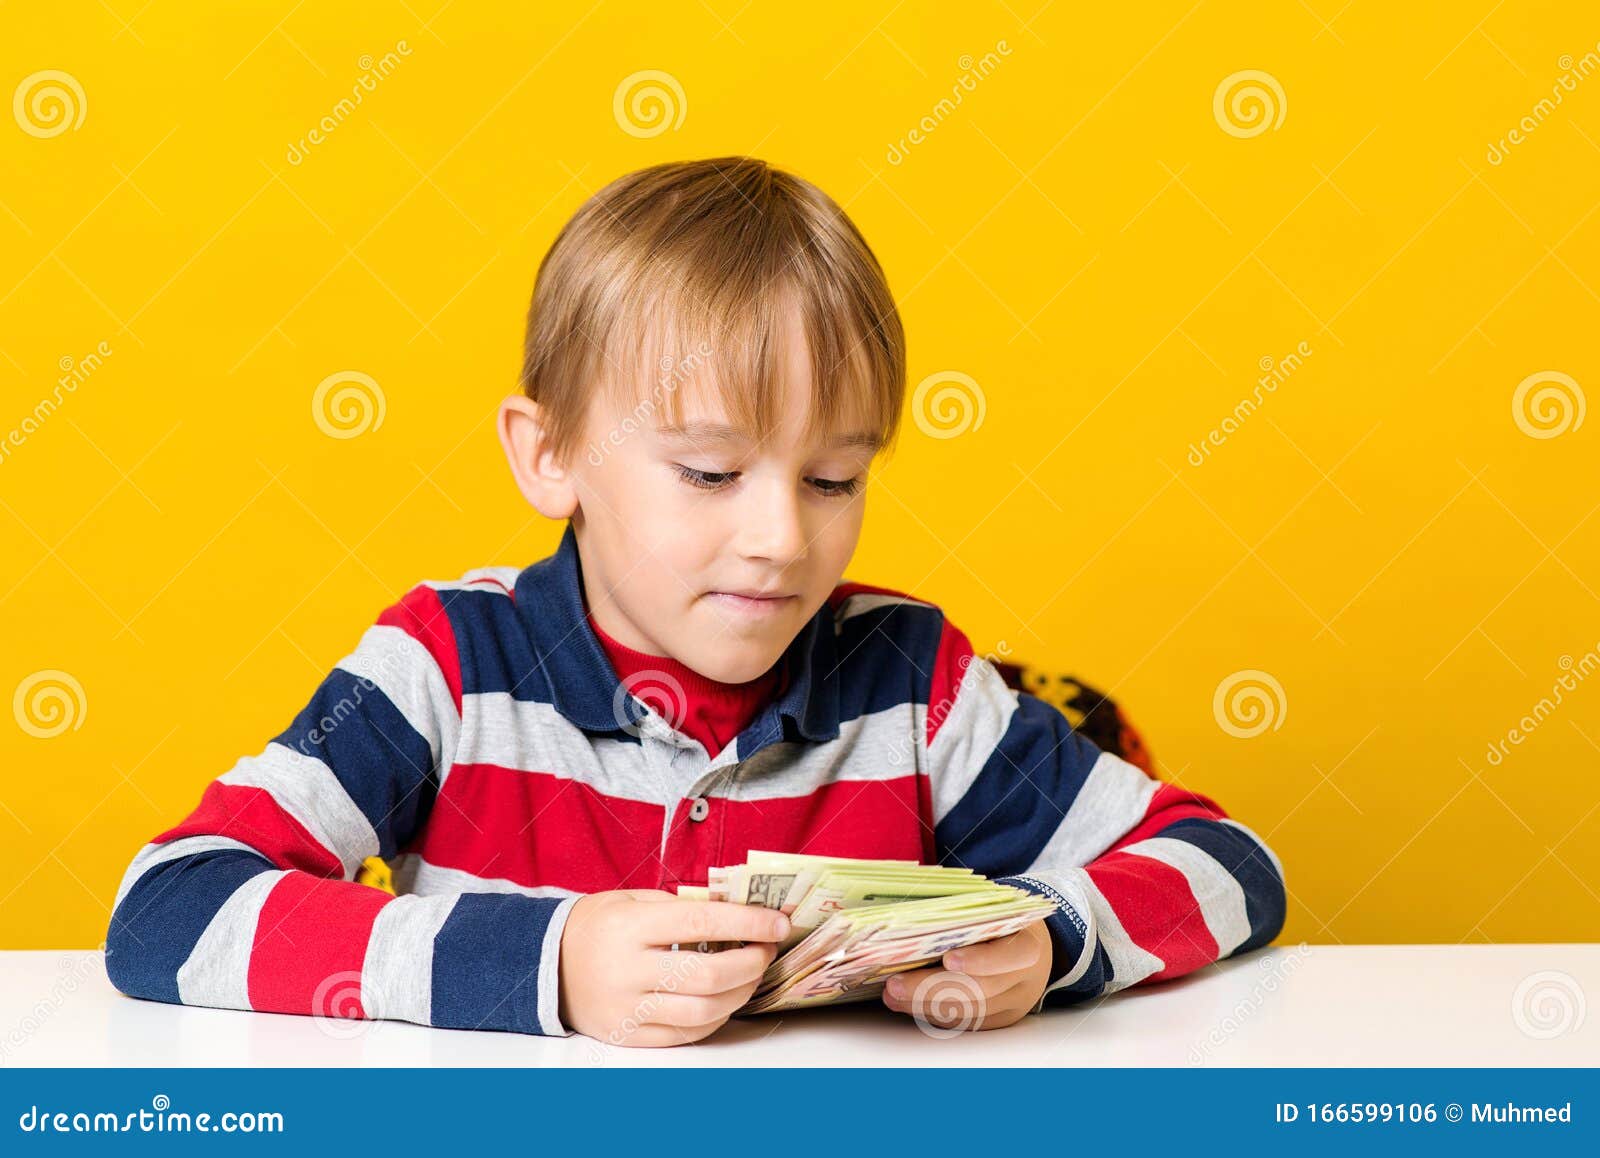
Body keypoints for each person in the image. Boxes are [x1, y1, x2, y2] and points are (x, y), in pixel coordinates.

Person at [105, 156, 1286, 1047]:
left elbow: (1229, 863)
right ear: (551, 453)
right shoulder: (442, 666)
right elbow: (168, 908)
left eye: (833, 478)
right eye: (711, 473)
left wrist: (1049, 940)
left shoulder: (912, 688)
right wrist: (553, 962)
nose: (779, 538)